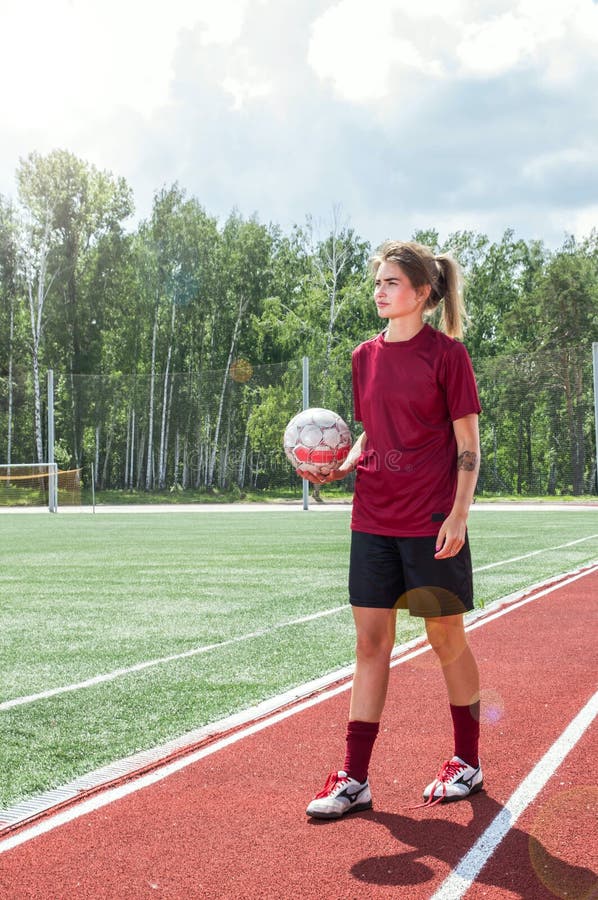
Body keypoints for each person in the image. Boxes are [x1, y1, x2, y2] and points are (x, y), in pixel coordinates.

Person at [299, 240, 483, 819]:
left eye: (391, 282)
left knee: (445, 638)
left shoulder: (448, 356)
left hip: (431, 521)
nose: (380, 291)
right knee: (370, 644)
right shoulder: (364, 357)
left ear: (422, 293)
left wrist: (458, 514)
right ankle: (354, 778)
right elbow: (371, 432)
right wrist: (343, 464)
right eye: (377, 282)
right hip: (372, 519)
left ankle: (468, 761)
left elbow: (468, 444)